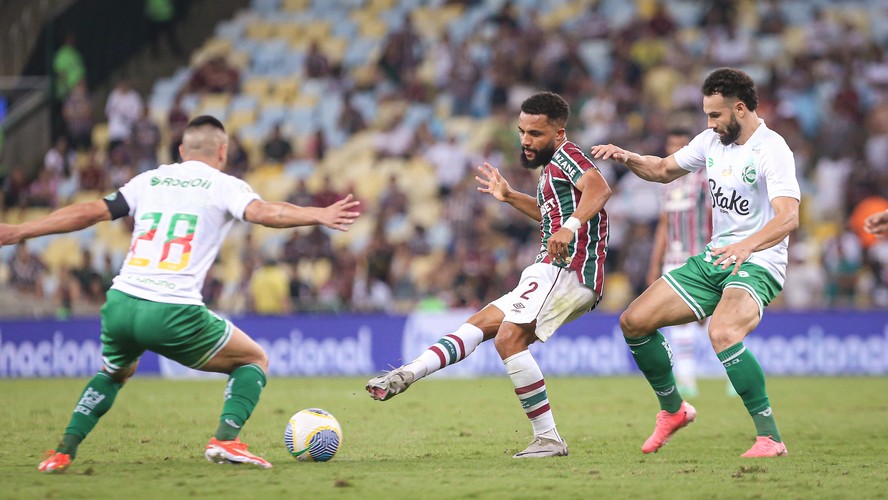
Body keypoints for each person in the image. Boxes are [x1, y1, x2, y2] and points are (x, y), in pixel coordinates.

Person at [0, 116, 360, 472]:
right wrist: (318, 213)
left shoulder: (149, 180)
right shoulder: (225, 185)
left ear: (182, 150)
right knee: (253, 360)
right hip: (172, 308)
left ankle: (63, 452)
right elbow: (266, 213)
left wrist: (20, 231)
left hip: (121, 302)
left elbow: (91, 211)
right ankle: (225, 440)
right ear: (223, 151)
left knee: (113, 373)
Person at [366, 92, 612, 458]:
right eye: (522, 131)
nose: (526, 140)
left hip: (567, 268)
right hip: (553, 269)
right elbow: (551, 215)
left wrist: (570, 228)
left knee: (509, 339)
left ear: (559, 133)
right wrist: (511, 196)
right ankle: (407, 373)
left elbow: (600, 188)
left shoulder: (568, 154)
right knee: (479, 325)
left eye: (535, 133)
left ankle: (548, 439)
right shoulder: (550, 169)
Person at [591, 67, 800, 458]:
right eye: (707, 115)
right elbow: (661, 170)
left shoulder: (772, 149)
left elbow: (788, 218)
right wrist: (627, 157)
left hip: (760, 260)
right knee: (634, 321)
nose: (709, 123)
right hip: (715, 258)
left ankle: (770, 438)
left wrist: (747, 246)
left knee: (722, 332)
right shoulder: (710, 141)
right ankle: (674, 410)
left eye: (715, 115)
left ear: (740, 108)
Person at [645, 128, 733, 399]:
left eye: (681, 145)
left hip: (702, 257)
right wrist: (654, 264)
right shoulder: (666, 184)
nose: (676, 150)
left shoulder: (704, 180)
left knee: (716, 318)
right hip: (673, 260)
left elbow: (716, 218)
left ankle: (734, 375)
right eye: (672, 144)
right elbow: (664, 225)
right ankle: (686, 380)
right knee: (678, 320)